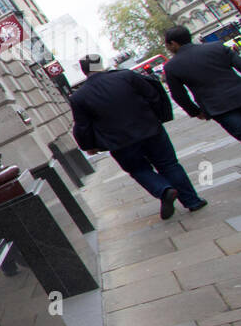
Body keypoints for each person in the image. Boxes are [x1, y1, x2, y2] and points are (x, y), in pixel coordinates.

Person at [69, 53, 206, 219]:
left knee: (138, 169)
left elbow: (82, 125)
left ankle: (163, 190)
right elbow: (153, 95)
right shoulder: (126, 76)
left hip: (119, 142)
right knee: (169, 164)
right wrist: (158, 116)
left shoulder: (79, 97)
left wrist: (88, 146)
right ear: (101, 65)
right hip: (150, 129)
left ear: (84, 72)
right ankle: (192, 201)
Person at [163, 24, 241, 157]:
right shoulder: (216, 47)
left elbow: (179, 95)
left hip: (218, 108)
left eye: (167, 45)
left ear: (173, 43)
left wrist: (195, 111)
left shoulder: (171, 67)